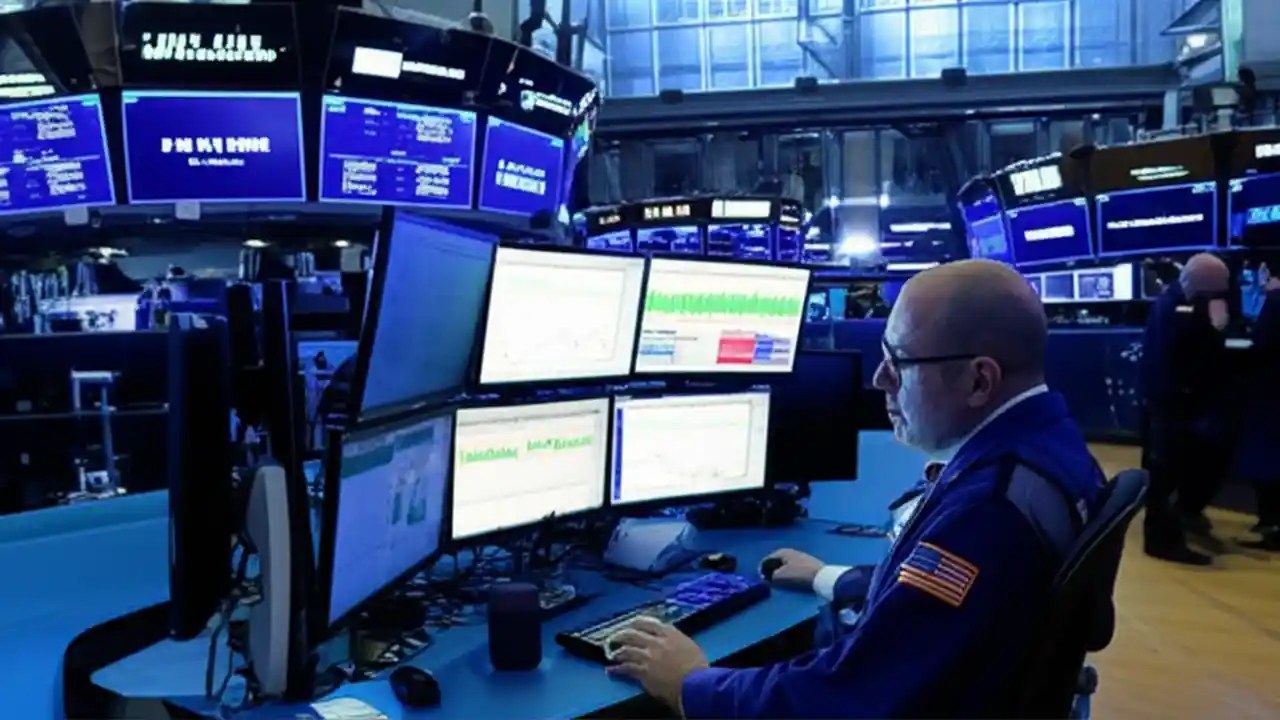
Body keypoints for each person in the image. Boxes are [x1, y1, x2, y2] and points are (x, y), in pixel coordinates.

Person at [608, 260, 1105, 718]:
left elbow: (847, 696)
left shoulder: (988, 511)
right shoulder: (1048, 447)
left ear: (979, 381)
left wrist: (692, 684)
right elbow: (952, 602)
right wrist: (831, 577)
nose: (879, 378)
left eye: (900, 362)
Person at [1139, 253, 1231, 565]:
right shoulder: (1181, 309)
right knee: (1167, 477)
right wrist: (1218, 328)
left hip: (1162, 403)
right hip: (1172, 406)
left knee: (1164, 475)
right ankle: (1163, 542)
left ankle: (1168, 533)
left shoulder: (1171, 299)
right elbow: (1189, 356)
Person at [1235, 268, 1280, 551]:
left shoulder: (1275, 302)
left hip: (1270, 394)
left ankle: (1272, 524)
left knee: (1267, 462)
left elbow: (1261, 344)